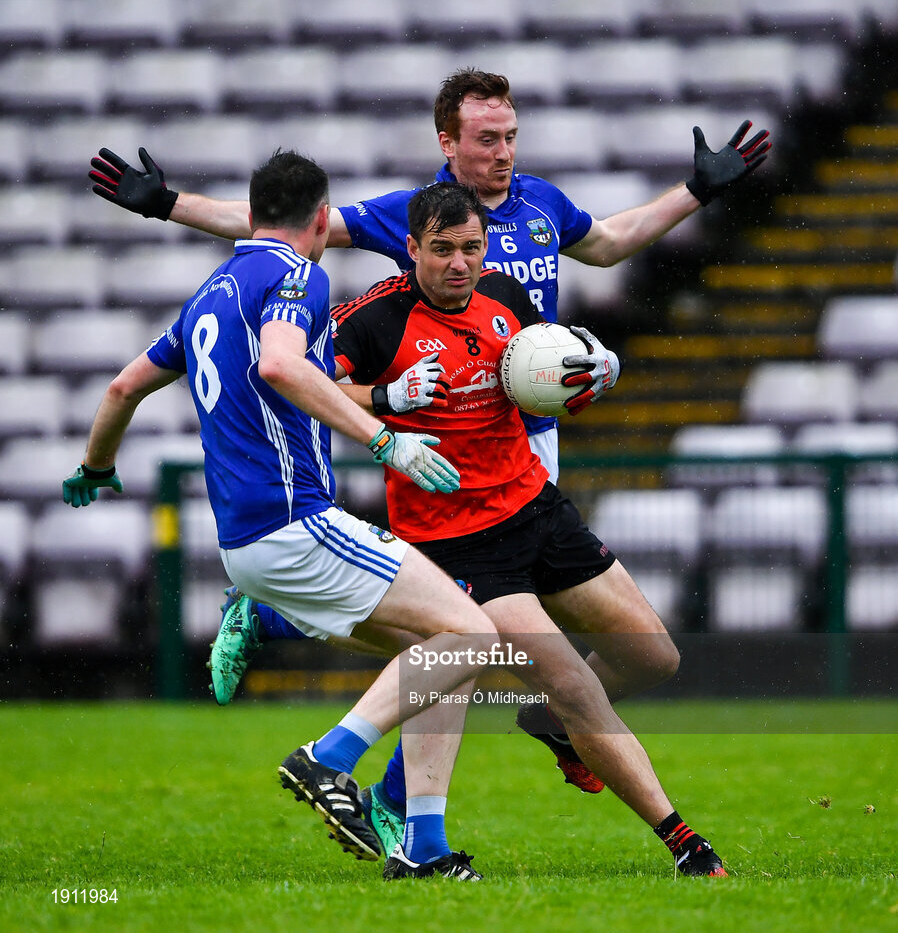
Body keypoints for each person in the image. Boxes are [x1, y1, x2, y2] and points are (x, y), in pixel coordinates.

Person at [211, 181, 728, 879]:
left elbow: (550, 367)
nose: (459, 263)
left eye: (471, 248)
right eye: (443, 249)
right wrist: (386, 398)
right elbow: (302, 385)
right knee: (573, 683)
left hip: (537, 508)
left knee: (652, 657)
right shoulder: (371, 319)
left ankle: (536, 728)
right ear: (411, 249)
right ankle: (684, 843)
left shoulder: (506, 295)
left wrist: (593, 370)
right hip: (459, 542)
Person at [62, 150, 503, 881]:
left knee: (442, 654)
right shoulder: (298, 274)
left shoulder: (209, 294)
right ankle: (327, 759)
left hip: (244, 543)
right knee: (474, 634)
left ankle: (422, 848)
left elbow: (120, 389)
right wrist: (386, 440)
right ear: (322, 220)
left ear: (253, 215)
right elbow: (280, 364)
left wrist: (96, 466)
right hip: (294, 520)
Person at [88, 68, 771, 482]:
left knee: (517, 612)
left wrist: (697, 192)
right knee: (474, 612)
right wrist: (169, 205)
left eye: (510, 137)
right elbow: (282, 224)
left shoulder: (542, 202)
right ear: (447, 141)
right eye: (486, 139)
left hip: (533, 424)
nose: (504, 153)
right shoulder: (415, 213)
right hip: (450, 425)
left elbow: (610, 244)